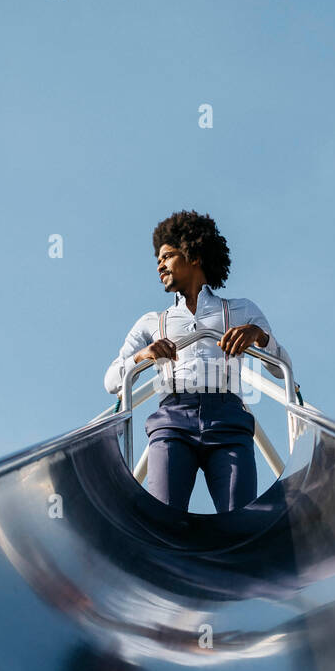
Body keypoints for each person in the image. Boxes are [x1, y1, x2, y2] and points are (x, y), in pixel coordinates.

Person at [104, 210, 292, 512]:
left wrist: (258, 336)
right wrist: (142, 355)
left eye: (166, 257)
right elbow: (112, 380)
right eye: (157, 261)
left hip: (228, 420)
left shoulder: (242, 310)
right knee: (165, 519)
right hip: (172, 421)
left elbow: (279, 367)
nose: (159, 266)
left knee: (238, 519)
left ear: (193, 254)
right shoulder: (152, 322)